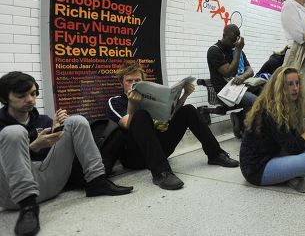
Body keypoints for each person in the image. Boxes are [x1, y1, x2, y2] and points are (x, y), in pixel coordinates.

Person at [1, 72, 132, 236]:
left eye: (33, 94)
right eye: (22, 95)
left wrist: (57, 130)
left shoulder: (43, 120)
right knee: (14, 132)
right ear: (5, 98)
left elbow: (52, 156)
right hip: (14, 195)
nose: (30, 100)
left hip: (51, 183)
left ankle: (97, 181)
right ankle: (28, 207)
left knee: (76, 121)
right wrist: (33, 147)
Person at [107, 62, 238, 191]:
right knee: (141, 115)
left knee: (189, 110)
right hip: (134, 157)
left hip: (160, 149)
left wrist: (185, 94)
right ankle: (161, 173)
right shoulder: (116, 101)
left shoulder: (151, 98)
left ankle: (215, 154)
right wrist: (132, 103)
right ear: (121, 83)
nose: (133, 84)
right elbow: (127, 124)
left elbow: (170, 116)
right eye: (129, 81)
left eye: (137, 80)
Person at [239, 67, 305, 193]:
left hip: (274, 153)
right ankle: (292, 175)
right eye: (289, 84)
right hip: (257, 169)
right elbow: (294, 147)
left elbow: (294, 139)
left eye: (297, 83)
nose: (295, 88)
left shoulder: (285, 105)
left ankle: (290, 175)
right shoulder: (270, 110)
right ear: (279, 87)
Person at [207, 24, 260, 138]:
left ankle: (240, 117)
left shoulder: (236, 50)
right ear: (224, 35)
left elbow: (250, 71)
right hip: (225, 91)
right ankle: (248, 133)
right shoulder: (214, 51)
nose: (233, 44)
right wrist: (238, 49)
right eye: (231, 40)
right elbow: (228, 72)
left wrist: (242, 77)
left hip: (240, 87)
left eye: (235, 41)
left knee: (265, 92)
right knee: (255, 101)